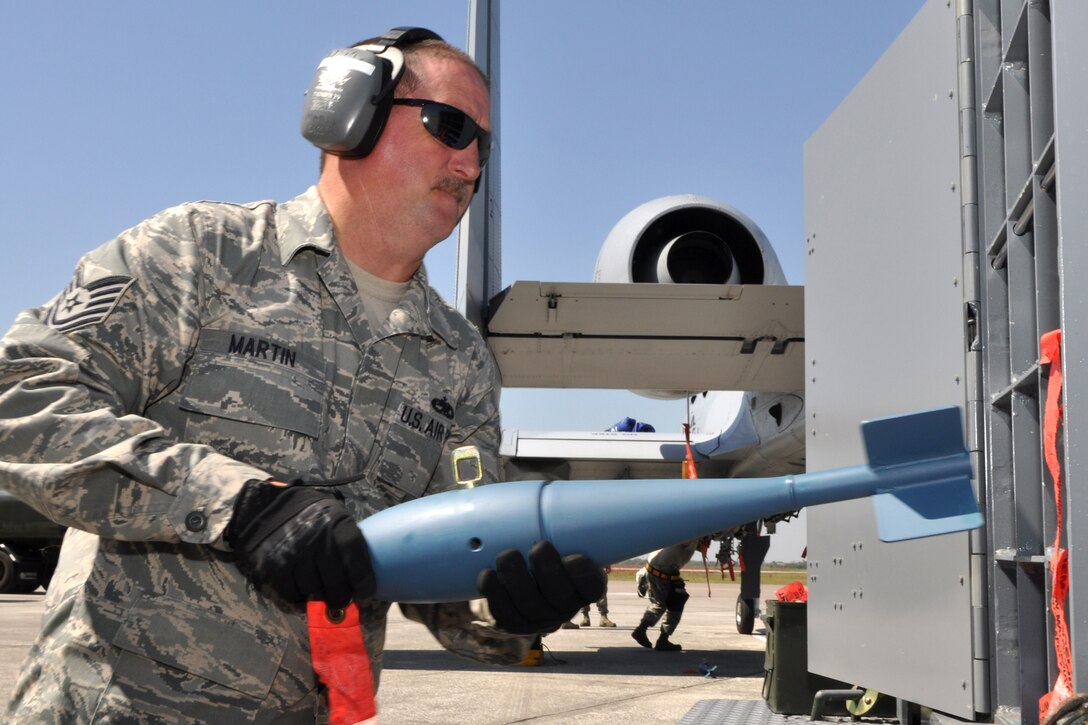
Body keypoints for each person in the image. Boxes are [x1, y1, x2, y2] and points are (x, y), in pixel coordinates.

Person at [0, 28, 602, 722]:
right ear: (349, 112)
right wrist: (236, 504)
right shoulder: (201, 255)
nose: (469, 163)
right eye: (449, 126)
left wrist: (513, 610)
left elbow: (449, 571)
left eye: (483, 147)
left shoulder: (459, 360)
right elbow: (21, 396)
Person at [631, 540, 701, 651]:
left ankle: (641, 630)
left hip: (651, 568)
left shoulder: (675, 534)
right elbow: (688, 541)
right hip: (665, 571)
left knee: (659, 604)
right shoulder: (693, 535)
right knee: (676, 605)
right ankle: (663, 640)